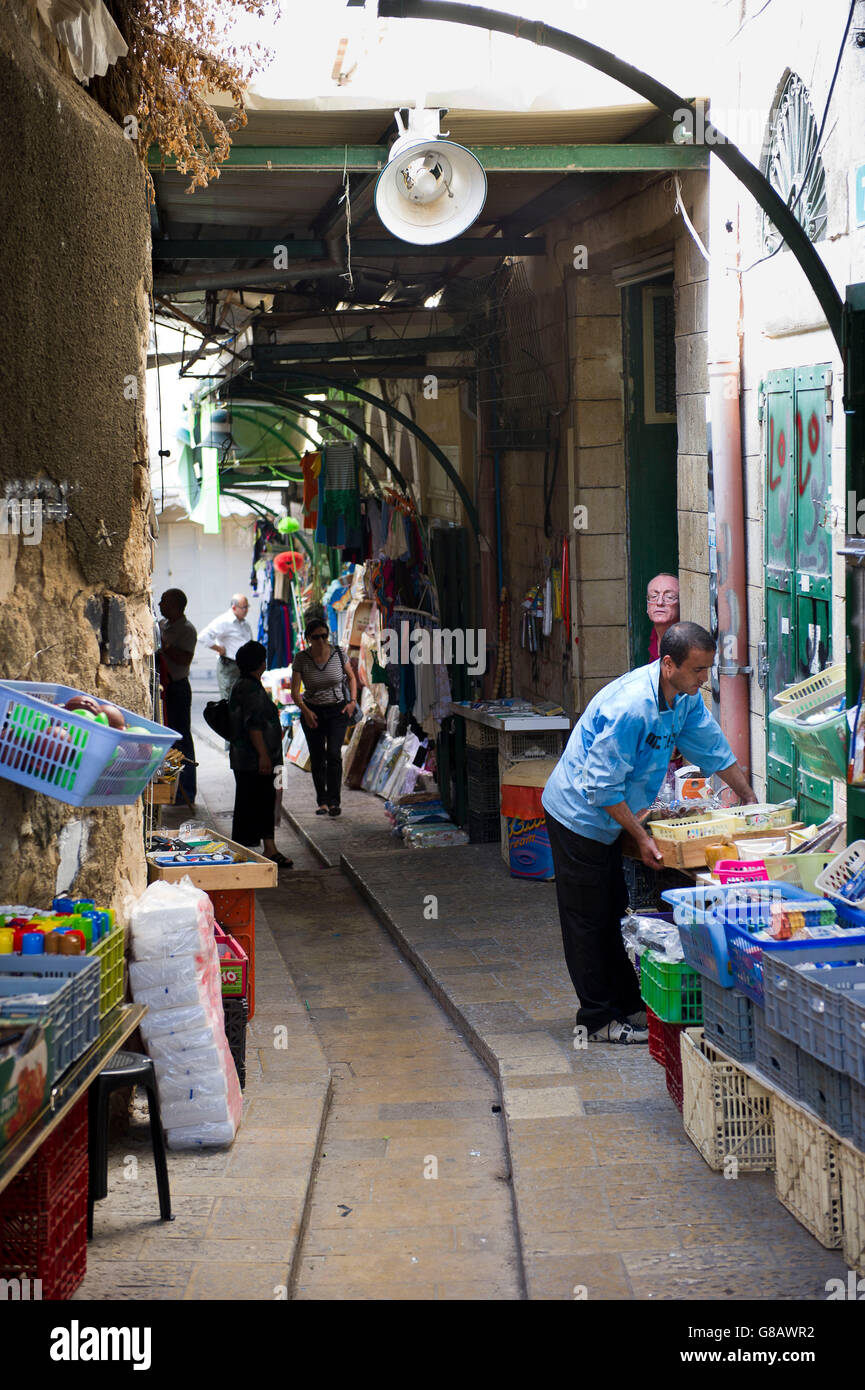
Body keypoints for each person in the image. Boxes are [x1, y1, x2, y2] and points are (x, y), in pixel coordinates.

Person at [542, 622, 756, 1045]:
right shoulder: (631, 707)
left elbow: (711, 747)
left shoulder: (685, 698)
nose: (704, 679)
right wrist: (641, 837)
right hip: (578, 815)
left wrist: (748, 796)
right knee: (587, 919)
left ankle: (628, 1005)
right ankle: (598, 1019)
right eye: (698, 670)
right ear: (669, 663)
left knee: (612, 907)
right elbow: (599, 787)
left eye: (707, 669)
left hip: (612, 816)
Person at [229, 641, 293, 868]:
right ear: (260, 663)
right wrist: (264, 756)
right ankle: (267, 850)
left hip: (245, 759)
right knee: (263, 801)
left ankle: (250, 849)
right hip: (256, 760)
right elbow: (254, 726)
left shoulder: (242, 685)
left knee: (249, 802)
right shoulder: (251, 689)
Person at [290, 617, 357, 817]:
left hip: (337, 711)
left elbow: (352, 677)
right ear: (308, 638)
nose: (321, 640)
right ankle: (322, 802)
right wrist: (305, 710)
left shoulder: (338, 653)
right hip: (312, 712)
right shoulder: (301, 658)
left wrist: (352, 701)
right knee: (318, 757)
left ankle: (335, 801)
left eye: (324, 636)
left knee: (334, 754)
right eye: (316, 637)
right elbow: (295, 691)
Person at [157, 588, 197, 804]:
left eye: (164, 601)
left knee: (182, 739)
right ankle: (170, 790)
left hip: (178, 688)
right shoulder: (163, 625)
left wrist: (166, 646)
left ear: (175, 605)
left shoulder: (187, 630)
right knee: (168, 741)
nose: (159, 605)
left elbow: (184, 659)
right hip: (165, 687)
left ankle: (186, 792)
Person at [198, 594, 253, 700]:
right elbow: (202, 637)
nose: (246, 610)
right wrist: (219, 649)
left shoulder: (244, 623)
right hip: (229, 666)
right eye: (243, 607)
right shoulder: (224, 621)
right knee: (230, 699)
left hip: (244, 667)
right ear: (234, 607)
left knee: (244, 699)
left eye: (247, 607)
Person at [647, 573, 680, 660]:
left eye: (669, 597)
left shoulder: (685, 641)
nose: (659, 602)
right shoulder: (655, 635)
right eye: (654, 596)